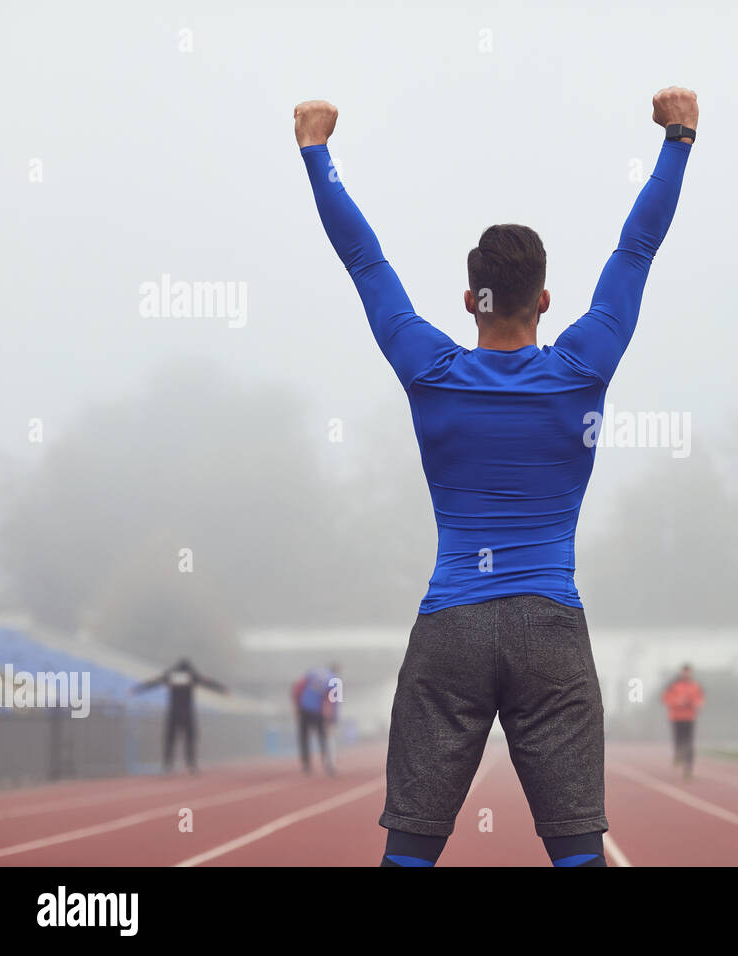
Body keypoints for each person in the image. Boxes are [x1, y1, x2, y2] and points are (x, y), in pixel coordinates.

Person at [294, 86, 696, 867]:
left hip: (452, 627)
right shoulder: (583, 367)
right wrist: (678, 137)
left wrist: (316, 152)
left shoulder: (429, 369)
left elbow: (364, 261)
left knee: (409, 851)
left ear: (468, 300)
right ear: (544, 299)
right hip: (551, 623)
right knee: (580, 851)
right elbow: (637, 249)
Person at [129, 658, 227, 774]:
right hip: (187, 712)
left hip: (174, 712)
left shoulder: (171, 675)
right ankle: (191, 764)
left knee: (170, 739)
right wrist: (221, 689)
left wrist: (137, 689)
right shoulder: (191, 675)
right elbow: (207, 682)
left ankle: (168, 764)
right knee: (190, 739)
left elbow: (154, 683)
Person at [292, 664, 340, 776]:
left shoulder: (312, 672)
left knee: (304, 737)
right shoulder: (334, 679)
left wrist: (296, 705)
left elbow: (297, 687)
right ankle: (327, 764)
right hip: (318, 711)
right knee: (322, 737)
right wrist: (332, 719)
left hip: (304, 708)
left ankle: (306, 764)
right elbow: (333, 702)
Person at [662, 664, 705, 779]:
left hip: (689, 718)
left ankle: (688, 770)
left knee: (689, 744)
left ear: (691, 673)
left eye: (688, 672)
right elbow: (666, 699)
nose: (686, 674)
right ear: (681, 672)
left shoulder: (695, 686)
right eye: (684, 672)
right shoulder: (674, 686)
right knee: (678, 740)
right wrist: (678, 702)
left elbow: (699, 700)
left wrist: (694, 704)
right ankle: (678, 754)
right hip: (676, 717)